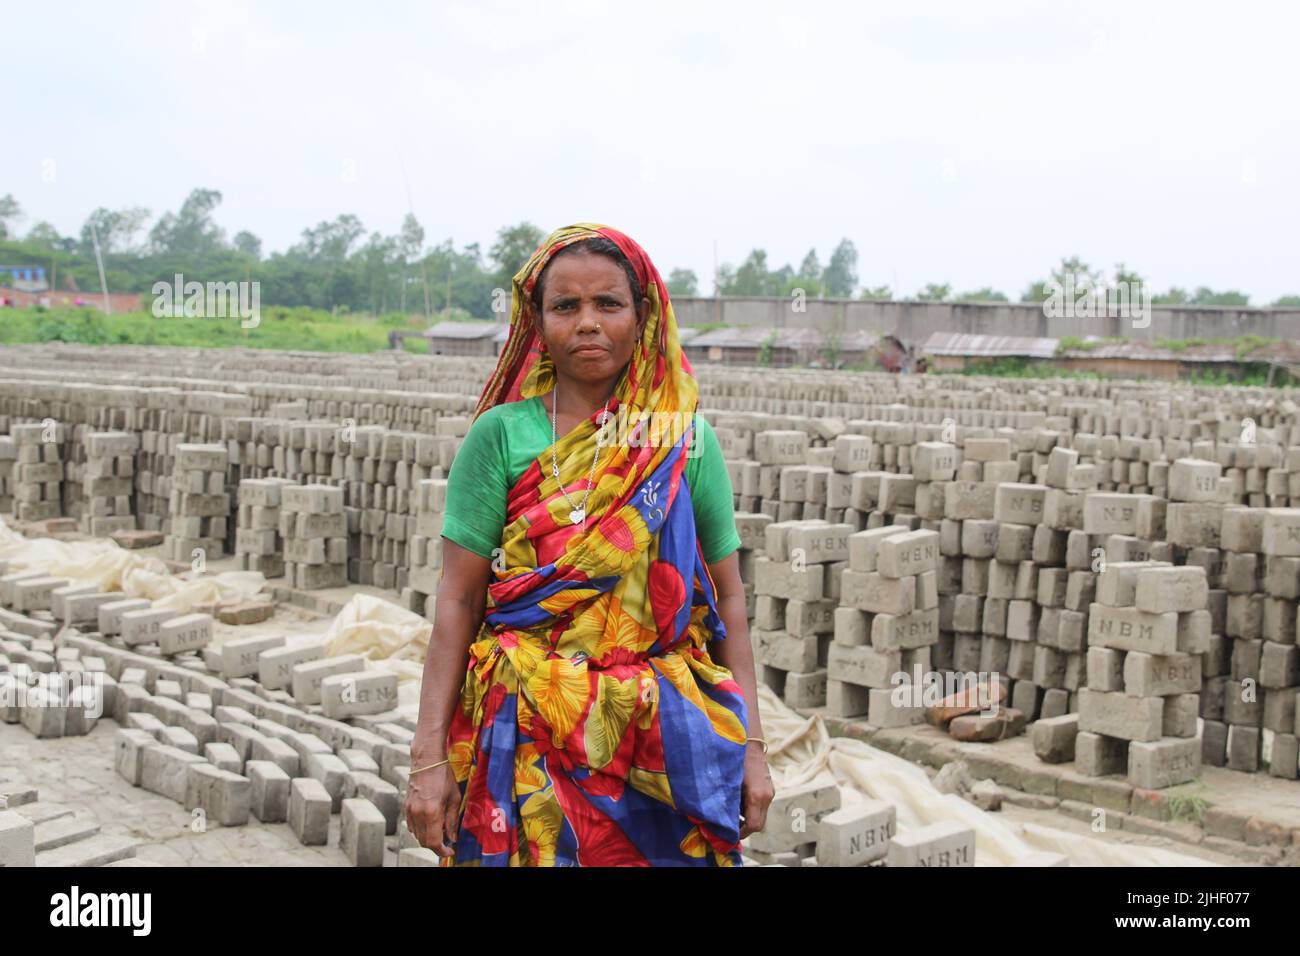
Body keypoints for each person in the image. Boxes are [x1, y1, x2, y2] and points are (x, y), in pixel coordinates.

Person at [404, 222, 774, 866]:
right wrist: (428, 758)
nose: (587, 323)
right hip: (525, 729)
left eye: (608, 304)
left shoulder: (683, 442)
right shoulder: (500, 437)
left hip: (659, 737)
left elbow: (729, 601)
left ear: (643, 315)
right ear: (538, 321)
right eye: (565, 306)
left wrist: (753, 747)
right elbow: (458, 602)